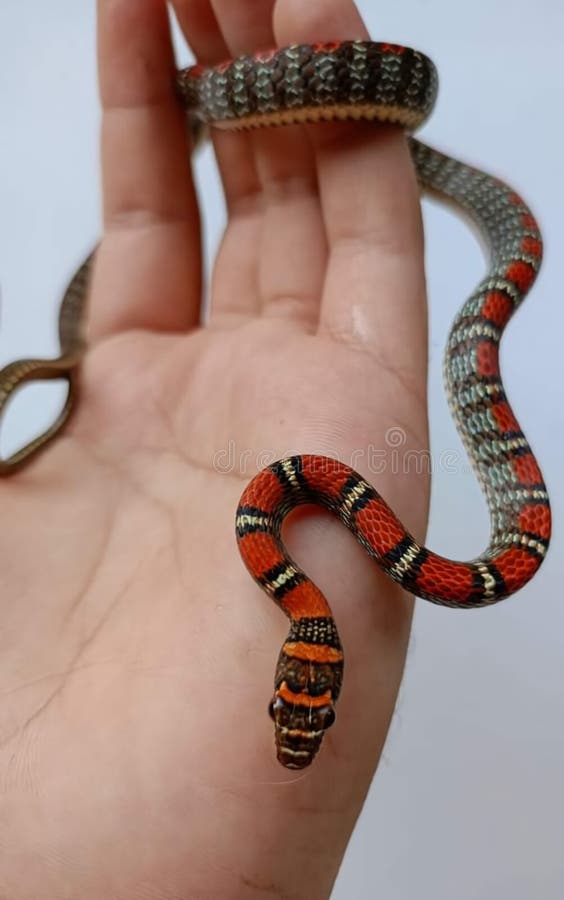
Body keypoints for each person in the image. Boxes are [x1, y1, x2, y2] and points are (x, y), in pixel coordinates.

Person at [0, 0, 430, 895]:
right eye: (302, 710)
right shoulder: (284, 535)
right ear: (316, 669)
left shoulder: (274, 533)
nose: (294, 718)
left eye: (291, 711)